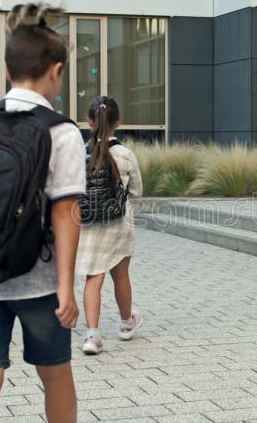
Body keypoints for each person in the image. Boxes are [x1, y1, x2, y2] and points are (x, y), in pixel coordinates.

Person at [0, 3, 84, 422]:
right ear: (56, 71)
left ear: (8, 71)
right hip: (37, 281)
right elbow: (66, 215)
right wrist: (67, 287)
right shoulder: (61, 132)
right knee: (56, 375)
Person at [78, 96, 143, 355]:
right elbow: (137, 192)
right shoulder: (126, 155)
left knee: (93, 278)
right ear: (119, 123)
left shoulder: (80, 154)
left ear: (89, 122)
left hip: (88, 224)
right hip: (119, 223)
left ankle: (92, 335)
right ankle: (127, 324)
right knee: (120, 275)